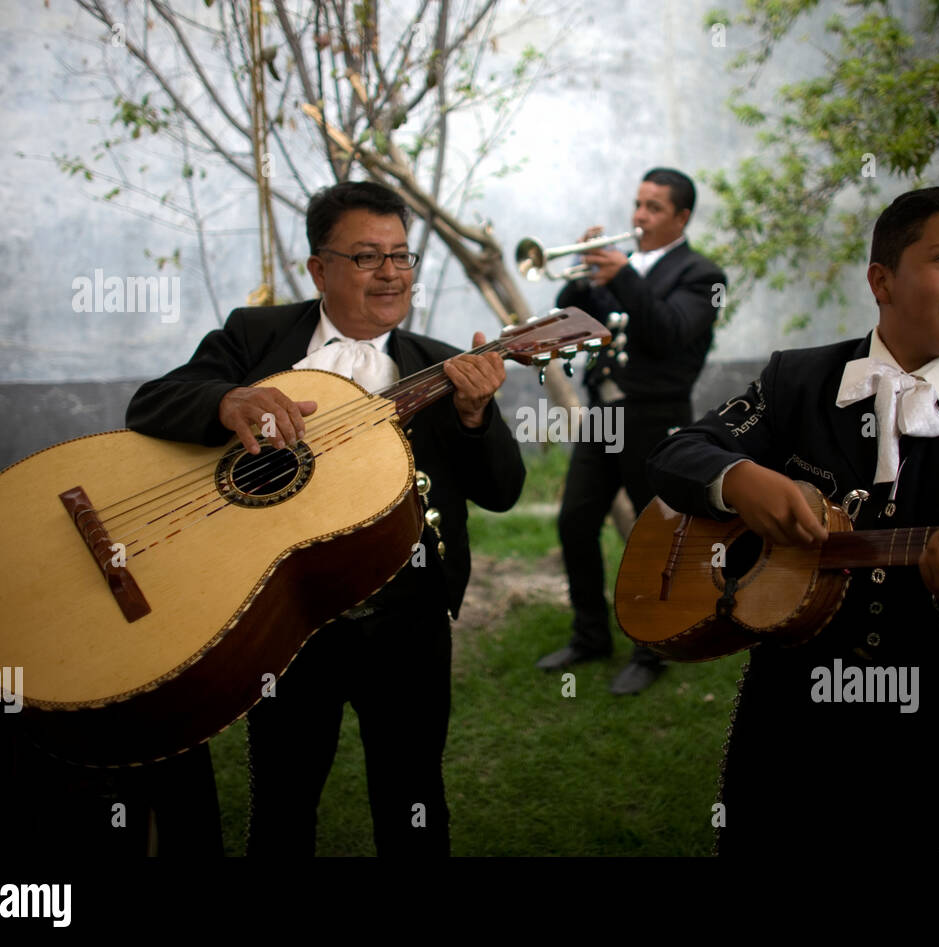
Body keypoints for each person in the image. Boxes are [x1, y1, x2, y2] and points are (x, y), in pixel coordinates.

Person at [646, 186, 939, 855]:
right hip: (787, 705)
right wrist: (739, 478)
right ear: (882, 280)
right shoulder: (798, 381)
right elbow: (676, 454)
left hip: (928, 719)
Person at [126, 180, 526, 856]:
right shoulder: (255, 336)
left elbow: (503, 490)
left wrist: (473, 415)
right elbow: (151, 404)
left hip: (408, 622)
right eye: (368, 257)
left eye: (402, 255)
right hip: (285, 618)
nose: (392, 273)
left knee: (414, 800)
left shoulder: (438, 365)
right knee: (282, 799)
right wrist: (226, 400)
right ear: (319, 268)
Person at [536, 168, 727, 695]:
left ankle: (653, 647)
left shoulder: (703, 275)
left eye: (654, 208)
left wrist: (622, 276)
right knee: (575, 521)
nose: (639, 216)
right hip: (604, 414)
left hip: (655, 419)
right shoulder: (620, 269)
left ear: (681, 218)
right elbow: (568, 320)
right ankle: (590, 635)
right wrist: (581, 272)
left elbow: (667, 333)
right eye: (638, 204)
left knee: (654, 536)